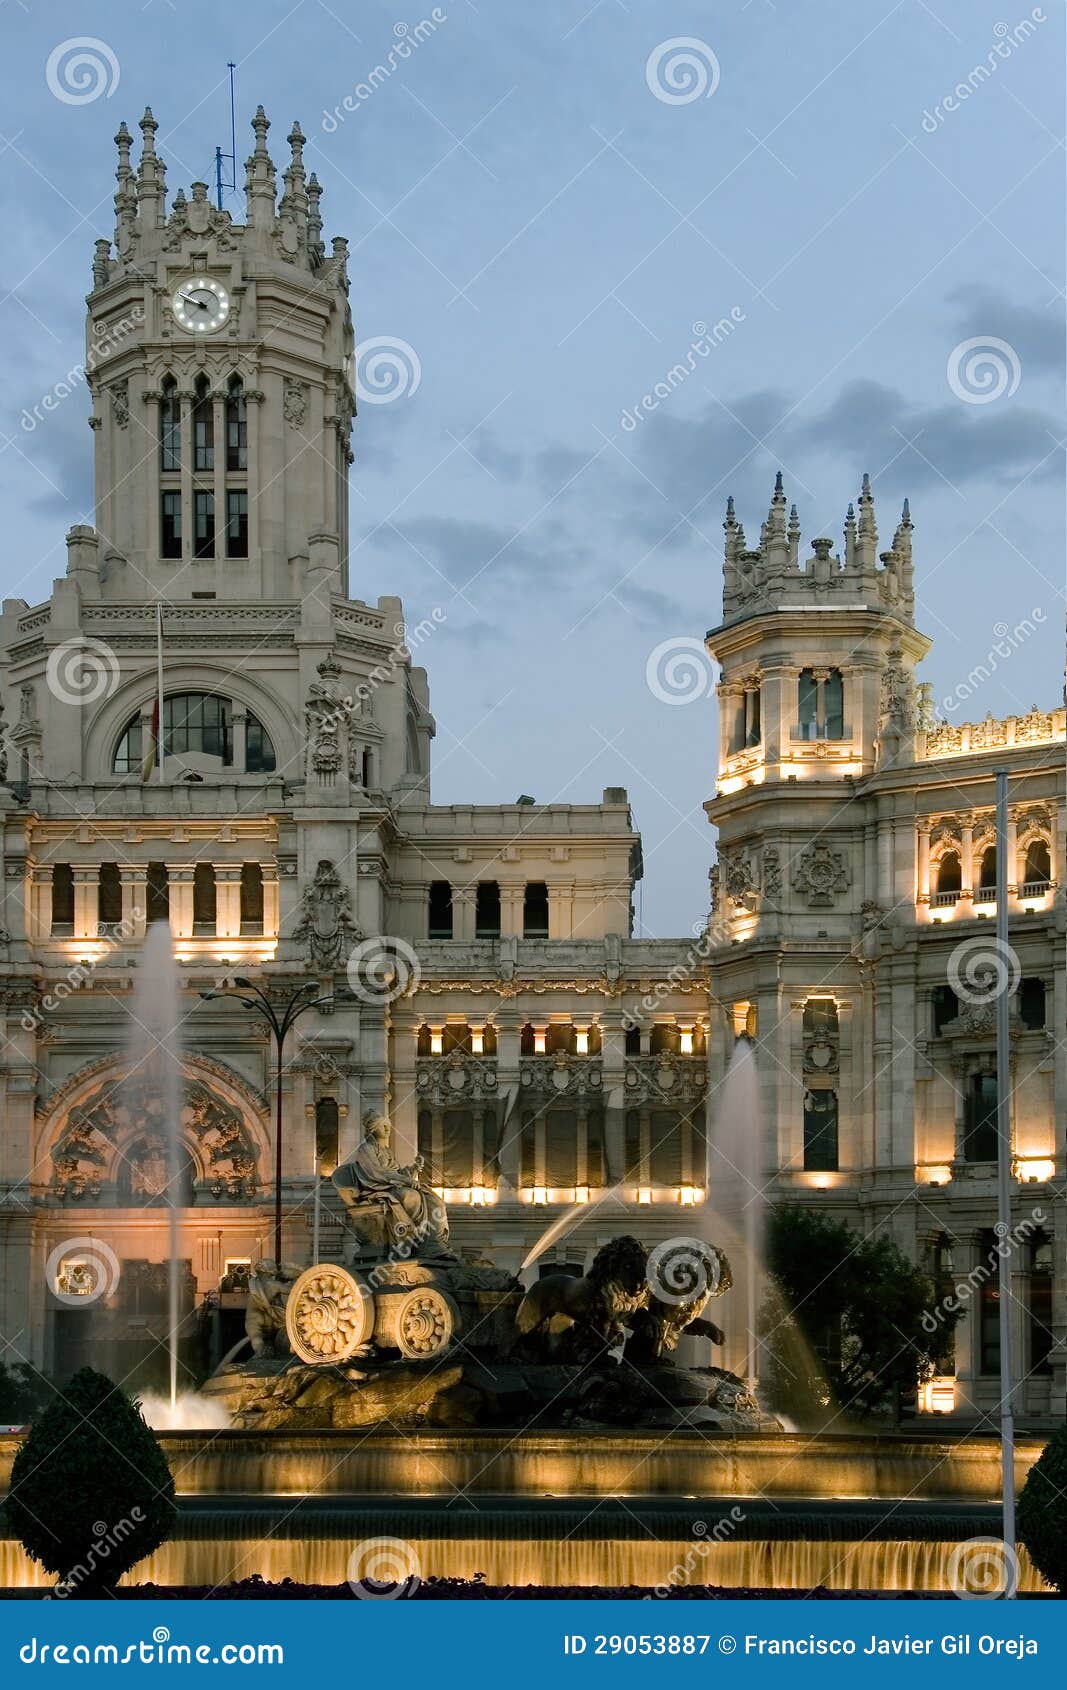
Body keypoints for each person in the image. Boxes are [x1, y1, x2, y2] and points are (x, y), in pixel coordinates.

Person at [332, 1112, 450, 1256]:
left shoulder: (387, 1151)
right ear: (372, 1129)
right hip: (376, 1188)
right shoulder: (366, 1149)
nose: (387, 1129)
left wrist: (413, 1169)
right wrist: (407, 1180)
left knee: (434, 1200)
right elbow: (377, 1173)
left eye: (388, 1126)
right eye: (383, 1126)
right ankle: (411, 1240)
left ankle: (432, 1242)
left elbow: (397, 1172)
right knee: (410, 1197)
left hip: (392, 1186)